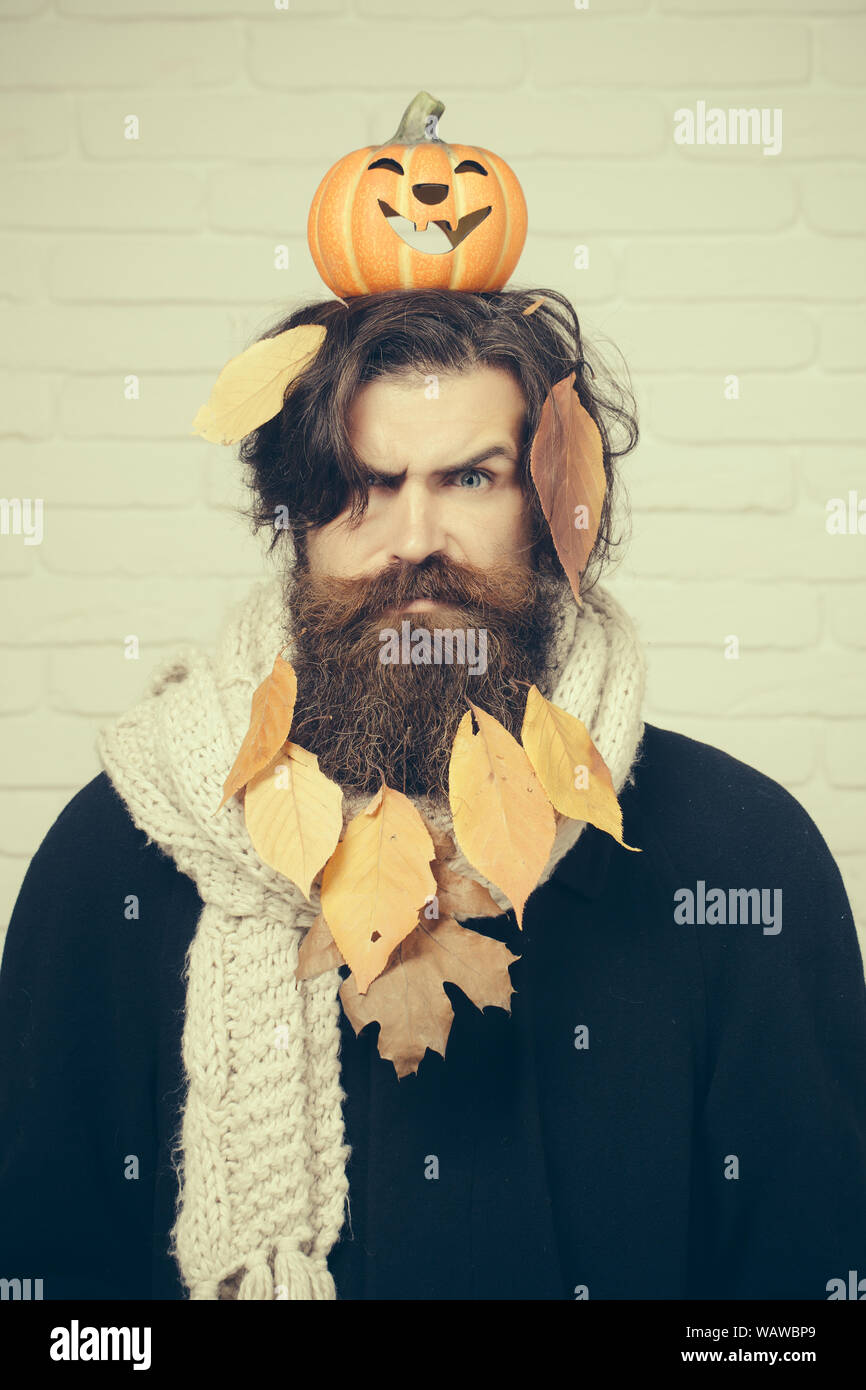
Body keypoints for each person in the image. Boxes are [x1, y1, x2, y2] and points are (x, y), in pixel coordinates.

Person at [1, 288, 864, 1301]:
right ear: (293, 523)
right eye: (362, 482)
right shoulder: (116, 860)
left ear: (551, 513)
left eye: (468, 477)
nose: (414, 537)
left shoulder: (737, 859)